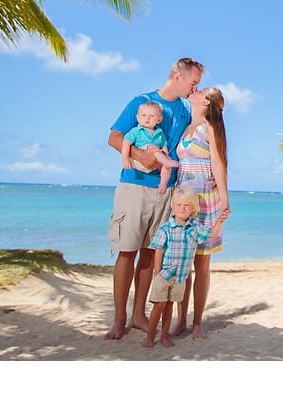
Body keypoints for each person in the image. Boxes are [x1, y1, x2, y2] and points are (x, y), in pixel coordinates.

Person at [105, 57, 204, 341]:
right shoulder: (142, 101)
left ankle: (138, 315)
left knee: (150, 252)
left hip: (167, 191)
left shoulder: (185, 110)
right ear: (176, 76)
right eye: (193, 82)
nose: (195, 87)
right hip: (134, 187)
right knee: (127, 250)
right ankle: (119, 319)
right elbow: (114, 137)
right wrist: (140, 156)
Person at [170, 87, 231, 340]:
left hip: (205, 198)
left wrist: (225, 200)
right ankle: (181, 320)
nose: (194, 90)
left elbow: (218, 163)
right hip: (183, 197)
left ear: (206, 102)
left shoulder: (209, 128)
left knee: (201, 263)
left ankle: (197, 323)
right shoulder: (186, 128)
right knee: (183, 262)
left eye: (202, 90)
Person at [142, 186, 227, 348]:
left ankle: (165, 335)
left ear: (193, 208)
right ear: (173, 207)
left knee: (169, 306)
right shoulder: (166, 228)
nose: (182, 209)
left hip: (180, 277)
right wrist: (157, 273)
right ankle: (150, 337)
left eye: (186, 206)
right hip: (164, 274)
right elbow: (158, 251)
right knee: (158, 306)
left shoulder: (194, 228)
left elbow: (212, 234)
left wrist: (219, 221)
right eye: (179, 205)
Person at [121, 101, 180, 194]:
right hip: (139, 159)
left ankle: (163, 184)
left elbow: (164, 146)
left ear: (159, 120)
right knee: (153, 147)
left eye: (152, 116)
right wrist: (125, 159)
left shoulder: (160, 133)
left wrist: (166, 156)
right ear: (137, 117)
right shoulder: (136, 131)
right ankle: (166, 161)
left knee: (167, 165)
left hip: (155, 161)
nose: (147, 118)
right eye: (143, 115)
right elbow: (126, 143)